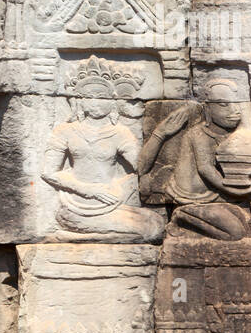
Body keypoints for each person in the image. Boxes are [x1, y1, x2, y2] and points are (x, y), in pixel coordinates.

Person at [42, 57, 163, 241]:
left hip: (111, 200)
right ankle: (74, 237)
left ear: (112, 101)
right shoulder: (65, 131)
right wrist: (87, 190)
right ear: (79, 101)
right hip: (75, 205)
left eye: (101, 97)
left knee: (156, 224)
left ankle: (75, 237)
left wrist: (159, 135)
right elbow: (48, 172)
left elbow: (141, 166)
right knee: (148, 231)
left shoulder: (120, 133)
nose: (95, 103)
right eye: (89, 97)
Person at [138, 78, 251, 240]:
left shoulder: (233, 135)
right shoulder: (198, 134)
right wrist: (233, 190)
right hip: (194, 198)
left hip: (217, 196)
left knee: (245, 225)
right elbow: (205, 169)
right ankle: (181, 218)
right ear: (208, 109)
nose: (234, 111)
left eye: (237, 104)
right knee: (236, 232)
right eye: (223, 105)